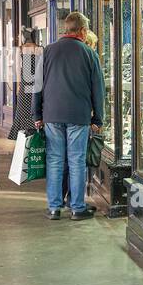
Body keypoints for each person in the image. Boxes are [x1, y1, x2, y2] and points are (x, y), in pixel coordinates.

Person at [32, 12, 104, 221]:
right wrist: (98, 118)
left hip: (52, 115)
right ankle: (77, 208)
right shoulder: (89, 54)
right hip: (79, 116)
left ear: (66, 29)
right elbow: (97, 89)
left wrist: (37, 114)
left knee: (55, 160)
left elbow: (36, 86)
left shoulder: (47, 51)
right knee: (77, 160)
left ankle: (54, 208)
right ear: (82, 30)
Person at [9, 29, 43, 141]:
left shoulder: (20, 49)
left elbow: (18, 70)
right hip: (37, 83)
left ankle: (22, 136)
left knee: (22, 111)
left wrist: (19, 86)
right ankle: (36, 132)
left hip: (25, 83)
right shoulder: (40, 49)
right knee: (36, 107)